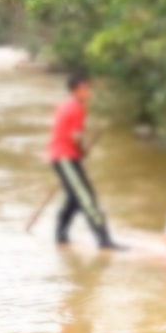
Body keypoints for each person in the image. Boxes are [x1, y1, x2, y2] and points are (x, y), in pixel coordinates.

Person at [50, 72, 124, 250]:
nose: (89, 92)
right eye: (86, 89)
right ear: (76, 90)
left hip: (63, 157)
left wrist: (79, 152)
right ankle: (103, 239)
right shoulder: (76, 108)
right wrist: (81, 151)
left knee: (74, 198)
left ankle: (60, 235)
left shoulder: (67, 105)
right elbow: (75, 137)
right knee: (86, 198)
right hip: (65, 158)